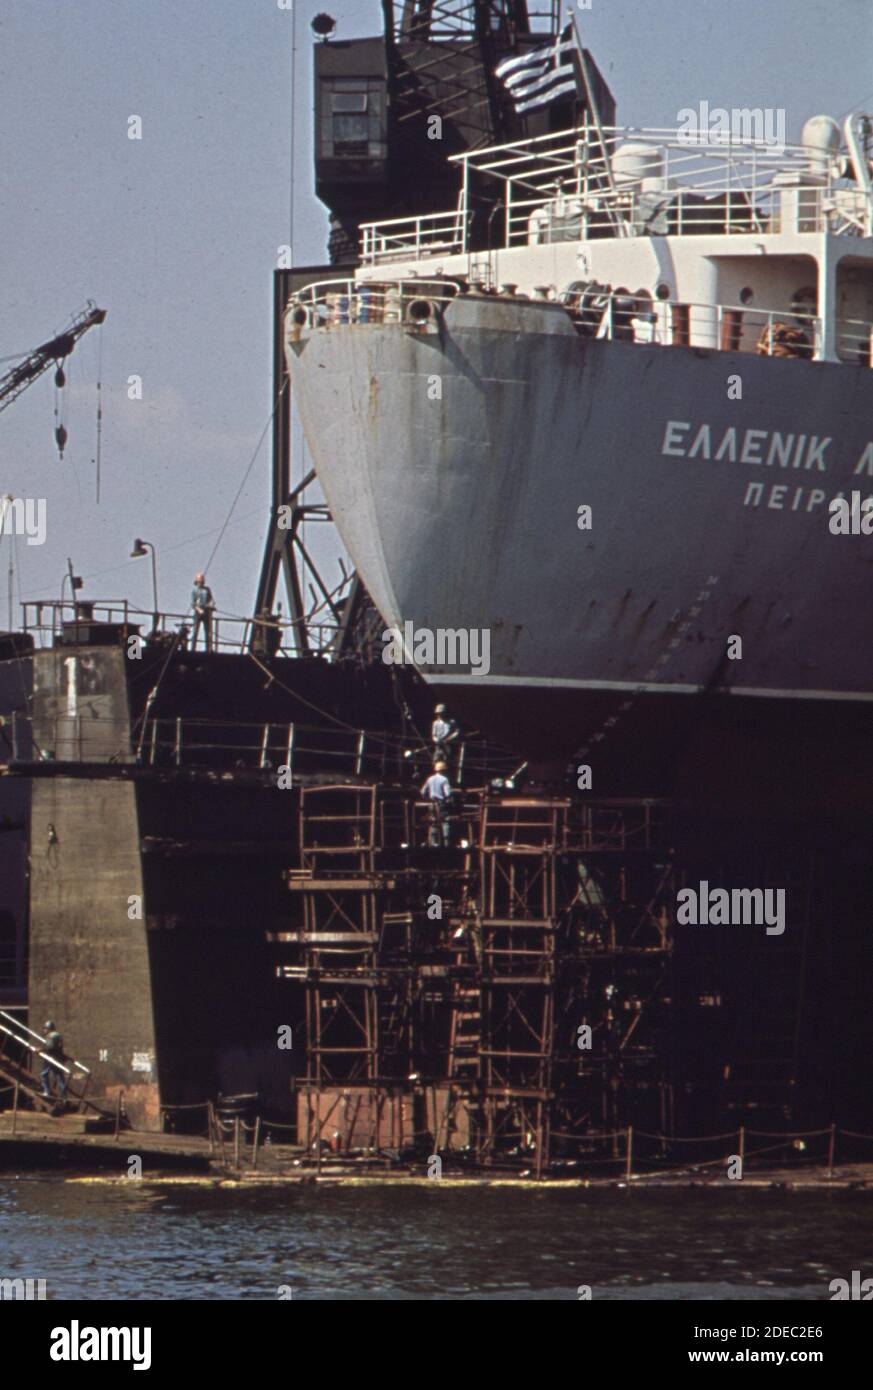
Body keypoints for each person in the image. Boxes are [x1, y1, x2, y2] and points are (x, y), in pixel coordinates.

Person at [421, 760, 452, 847]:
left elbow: (423, 792)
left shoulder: (430, 779)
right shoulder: (444, 779)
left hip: (431, 804)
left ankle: (434, 843)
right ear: (443, 770)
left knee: (433, 821)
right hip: (441, 803)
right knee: (445, 821)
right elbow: (448, 793)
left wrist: (427, 799)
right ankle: (446, 844)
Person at [40, 1021, 67, 1102]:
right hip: (58, 1058)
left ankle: (47, 1091)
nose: (44, 1030)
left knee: (43, 1074)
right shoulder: (58, 1035)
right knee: (60, 1078)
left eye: (45, 1028)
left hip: (50, 1058)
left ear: (49, 1029)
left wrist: (40, 1049)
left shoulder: (51, 1036)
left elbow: (49, 1047)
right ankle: (64, 1097)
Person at [191, 573, 215, 651]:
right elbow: (193, 603)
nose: (201, 581)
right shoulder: (194, 591)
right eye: (200, 580)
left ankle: (208, 649)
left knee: (208, 632)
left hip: (207, 612)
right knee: (195, 631)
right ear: (197, 581)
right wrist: (199, 610)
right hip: (198, 613)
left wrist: (211, 605)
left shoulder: (207, 589)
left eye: (202, 580)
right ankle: (193, 648)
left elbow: (211, 599)